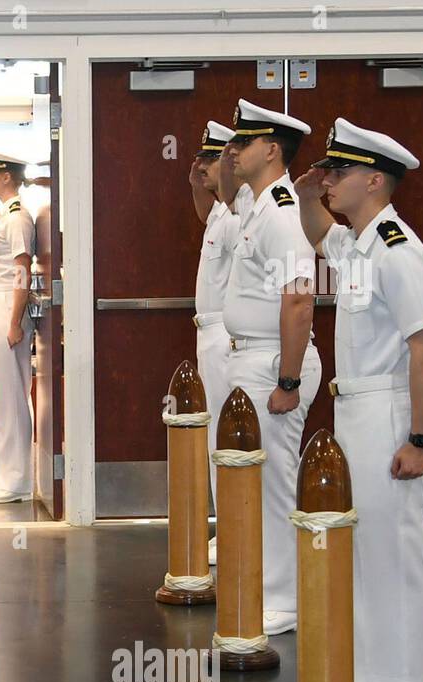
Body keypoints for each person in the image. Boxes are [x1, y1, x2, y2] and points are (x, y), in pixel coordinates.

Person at [296, 118, 423, 682]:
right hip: (352, 411)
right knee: (363, 556)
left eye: (339, 170)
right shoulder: (359, 244)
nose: (330, 178)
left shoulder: (400, 251)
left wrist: (421, 439)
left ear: (375, 179)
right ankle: (376, 681)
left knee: (392, 556)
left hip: (386, 413)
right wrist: (307, 195)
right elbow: (318, 234)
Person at [219, 99, 319, 636]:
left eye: (245, 142)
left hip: (275, 363)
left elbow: (299, 299)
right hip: (251, 358)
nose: (233, 150)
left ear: (272, 149)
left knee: (276, 481)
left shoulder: (282, 213)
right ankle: (268, 584)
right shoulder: (255, 205)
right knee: (254, 480)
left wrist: (289, 380)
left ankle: (286, 599)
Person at [187, 120, 240, 565]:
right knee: (213, 440)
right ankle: (228, 524)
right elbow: (206, 217)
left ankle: (236, 527)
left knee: (226, 437)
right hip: (209, 332)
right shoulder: (222, 212)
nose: (200, 166)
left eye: (210, 158)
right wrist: (197, 186)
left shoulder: (241, 213)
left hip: (227, 334)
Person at [0, 150, 36, 505]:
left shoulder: (18, 218)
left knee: (12, 395)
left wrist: (14, 321)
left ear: (6, 177)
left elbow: (22, 269)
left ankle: (16, 482)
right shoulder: (5, 217)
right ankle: (8, 478)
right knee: (4, 394)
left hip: (7, 304)